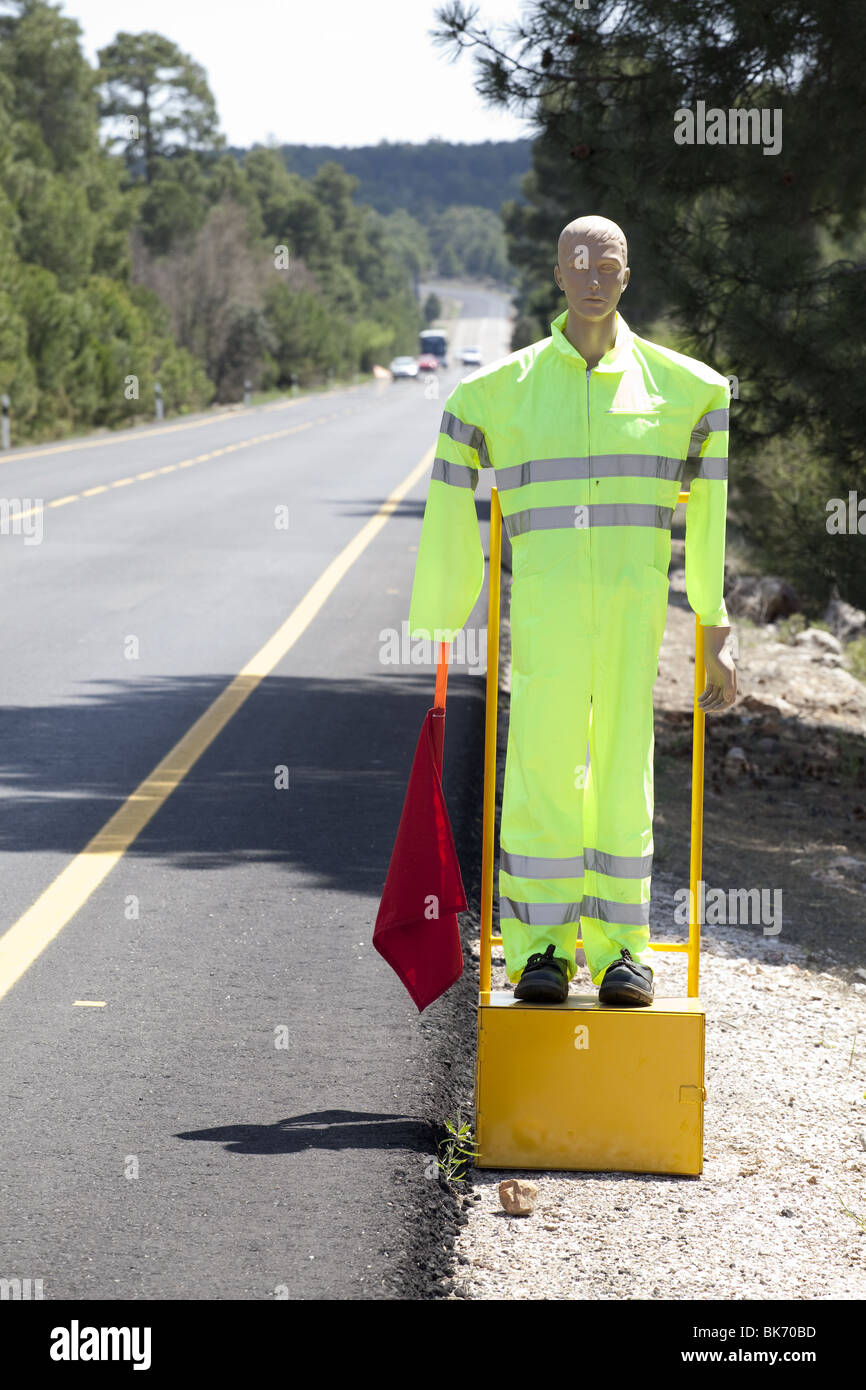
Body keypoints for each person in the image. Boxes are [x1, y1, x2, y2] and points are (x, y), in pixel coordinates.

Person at [408, 215, 737, 1008]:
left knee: (624, 774)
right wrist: (443, 612)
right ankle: (540, 951)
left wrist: (715, 624)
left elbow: (711, 511)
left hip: (631, 619)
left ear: (629, 275)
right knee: (541, 774)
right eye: (578, 262)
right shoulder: (502, 392)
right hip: (551, 621)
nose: (594, 276)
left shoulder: (687, 389)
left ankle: (625, 950)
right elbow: (454, 462)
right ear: (558, 274)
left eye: (609, 264)